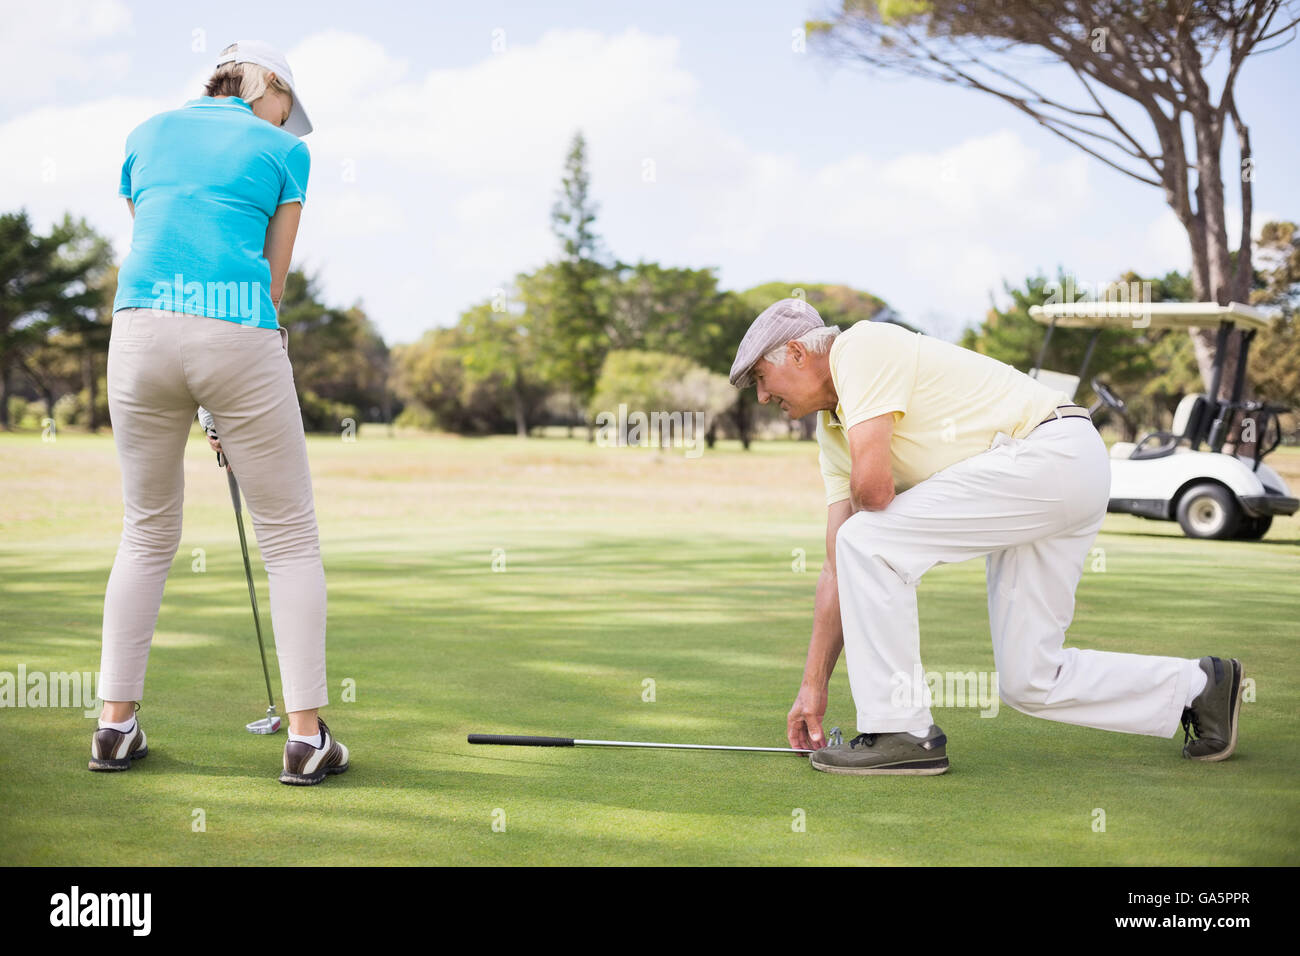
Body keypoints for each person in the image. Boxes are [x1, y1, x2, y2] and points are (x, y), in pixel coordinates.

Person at [728, 298, 1242, 775]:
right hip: (1041, 481)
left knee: (868, 538)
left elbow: (875, 495)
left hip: (1051, 453)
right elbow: (838, 567)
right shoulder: (831, 431)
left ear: (797, 352)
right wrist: (812, 687)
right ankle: (1200, 687)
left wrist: (873, 543)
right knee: (1031, 680)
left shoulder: (861, 347)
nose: (763, 395)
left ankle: (900, 731)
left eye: (761, 377)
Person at [93, 40, 348, 785]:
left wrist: (208, 403)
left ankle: (114, 727)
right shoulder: (281, 153)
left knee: (145, 532)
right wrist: (228, 401)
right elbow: (270, 280)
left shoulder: (145, 135)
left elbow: (159, 237)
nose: (284, 121)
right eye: (284, 106)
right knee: (291, 538)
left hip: (138, 329)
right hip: (237, 328)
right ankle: (305, 740)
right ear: (264, 82)